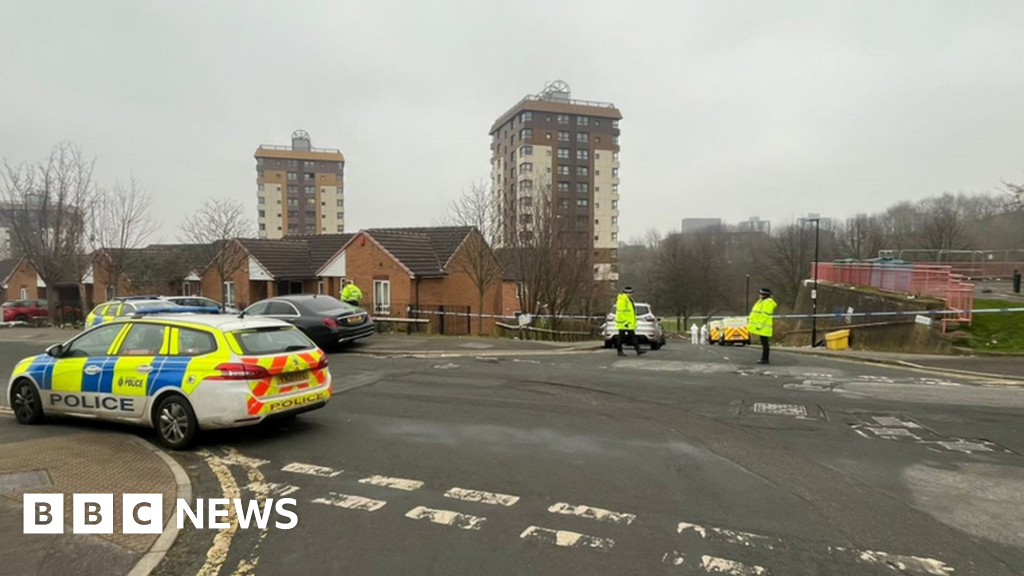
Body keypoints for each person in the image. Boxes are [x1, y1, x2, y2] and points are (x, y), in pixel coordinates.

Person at [748, 287, 778, 364]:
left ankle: (765, 359)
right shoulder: (762, 302)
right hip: (763, 326)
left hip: (764, 326)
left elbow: (765, 315)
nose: (759, 295)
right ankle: (764, 358)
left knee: (765, 343)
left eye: (761, 294)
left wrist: (759, 325)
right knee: (764, 343)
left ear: (764, 295)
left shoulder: (767, 303)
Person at [614, 286, 646, 357]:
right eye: (631, 293)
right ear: (627, 293)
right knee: (621, 337)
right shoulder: (622, 300)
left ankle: (638, 350)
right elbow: (621, 312)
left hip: (629, 322)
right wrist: (625, 322)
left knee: (632, 336)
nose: (632, 294)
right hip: (624, 322)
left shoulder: (629, 299)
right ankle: (620, 350)